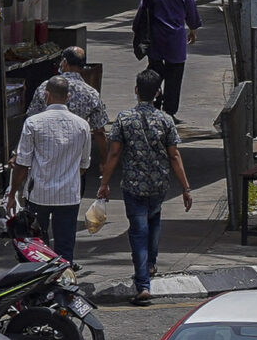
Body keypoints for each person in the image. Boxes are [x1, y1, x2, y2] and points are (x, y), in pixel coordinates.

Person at [98, 70, 194, 306]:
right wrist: (186, 188)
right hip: (159, 184)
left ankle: (143, 284)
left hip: (133, 185)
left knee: (138, 232)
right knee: (154, 221)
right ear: (158, 92)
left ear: (136, 90)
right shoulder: (166, 120)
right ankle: (150, 264)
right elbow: (174, 156)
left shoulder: (123, 119)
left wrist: (104, 182)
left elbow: (114, 153)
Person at [10, 76, 91, 262]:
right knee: (65, 246)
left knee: (36, 246)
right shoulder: (82, 125)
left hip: (39, 194)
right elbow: (84, 165)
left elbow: (22, 164)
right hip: (69, 196)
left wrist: (13, 193)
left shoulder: (33, 123)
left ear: (46, 95)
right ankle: (64, 286)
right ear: (68, 97)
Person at [132, 0, 201, 123]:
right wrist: (193, 30)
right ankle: (169, 112)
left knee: (154, 74)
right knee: (174, 78)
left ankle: (153, 105)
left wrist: (137, 30)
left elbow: (142, 9)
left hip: (155, 38)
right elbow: (191, 13)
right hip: (175, 40)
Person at [26, 46, 109, 157]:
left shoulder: (45, 87)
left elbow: (31, 121)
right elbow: (99, 132)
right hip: (77, 157)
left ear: (64, 62)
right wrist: (105, 161)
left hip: (45, 155)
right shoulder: (91, 93)